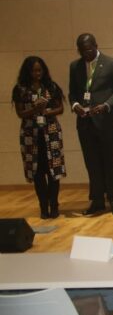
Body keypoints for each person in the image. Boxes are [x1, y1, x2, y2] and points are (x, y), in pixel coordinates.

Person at [69, 33, 113, 216]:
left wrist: (106, 105)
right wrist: (75, 105)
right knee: (92, 164)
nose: (86, 53)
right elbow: (72, 93)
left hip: (107, 122)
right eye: (82, 50)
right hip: (85, 123)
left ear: (96, 45)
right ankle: (97, 200)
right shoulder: (75, 66)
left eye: (89, 49)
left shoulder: (111, 63)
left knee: (111, 162)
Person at [12, 57, 66, 219]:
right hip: (31, 135)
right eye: (34, 71)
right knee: (37, 172)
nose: (37, 73)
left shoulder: (50, 86)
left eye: (39, 70)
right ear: (27, 72)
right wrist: (35, 109)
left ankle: (54, 205)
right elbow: (20, 113)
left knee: (53, 171)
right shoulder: (21, 89)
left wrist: (46, 111)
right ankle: (43, 206)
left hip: (51, 133)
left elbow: (60, 108)